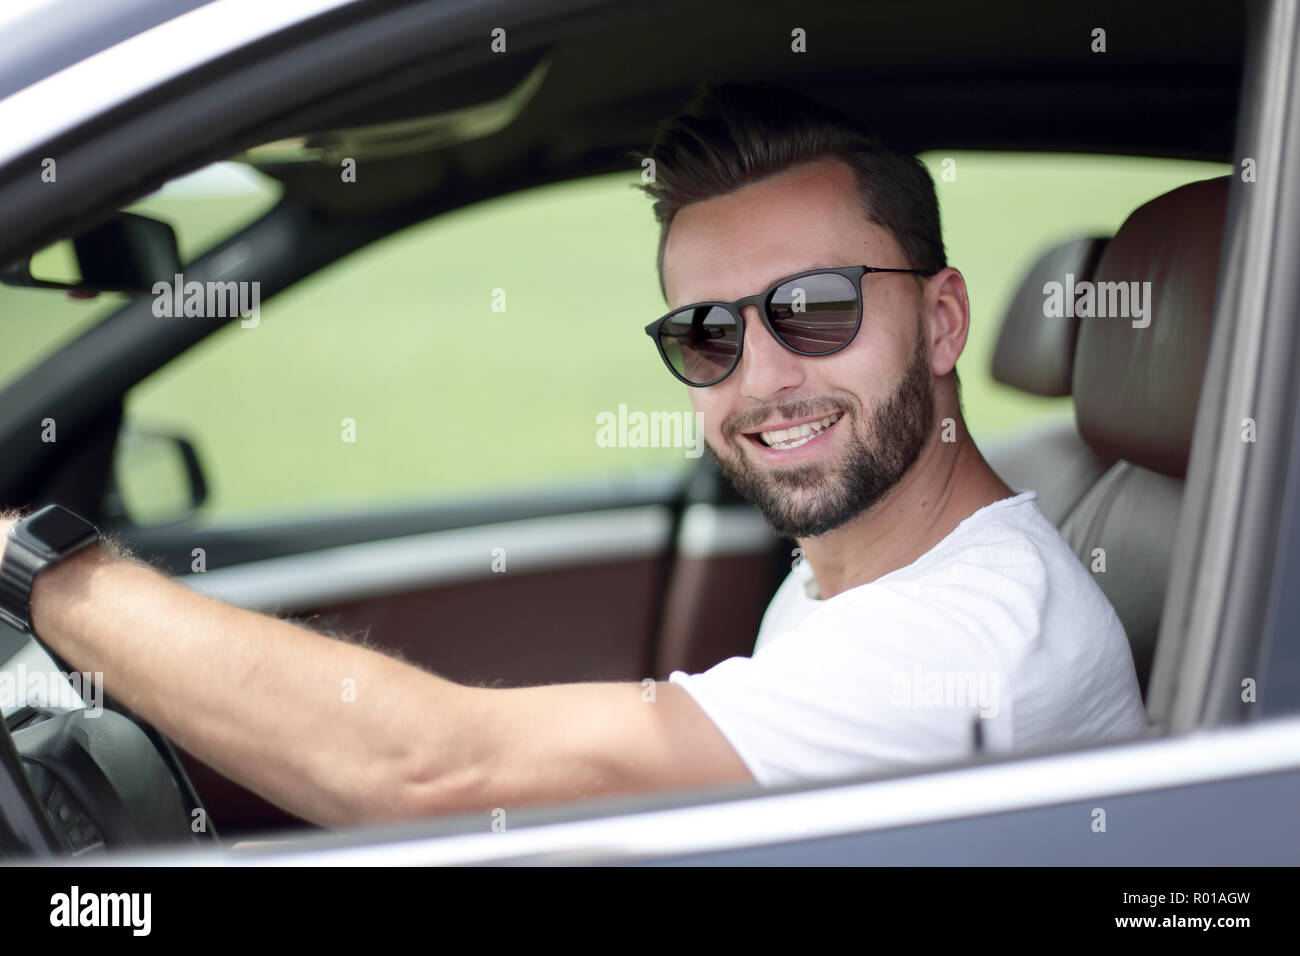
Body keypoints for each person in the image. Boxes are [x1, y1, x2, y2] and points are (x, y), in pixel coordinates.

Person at [0, 82, 1146, 829]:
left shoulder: (968, 646)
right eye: (707, 332)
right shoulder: (864, 564)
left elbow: (429, 768)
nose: (758, 379)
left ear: (942, 320)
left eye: (814, 306)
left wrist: (37, 567)